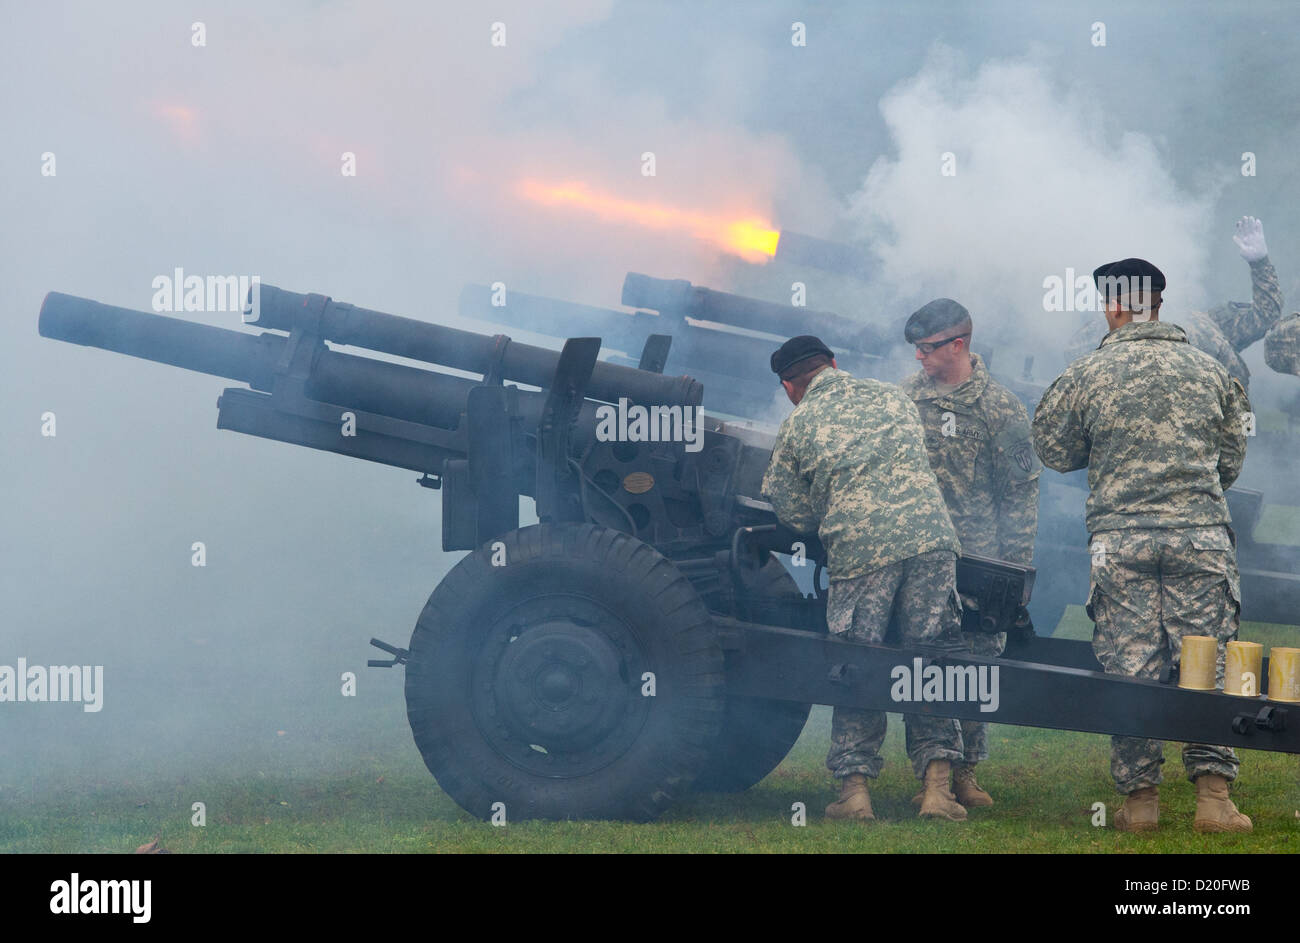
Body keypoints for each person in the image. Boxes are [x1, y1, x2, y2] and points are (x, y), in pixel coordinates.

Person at [1033, 259, 1253, 833]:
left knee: (1129, 663)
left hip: (1119, 540)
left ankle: (1139, 803)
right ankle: (1213, 799)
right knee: (1207, 660)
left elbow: (1054, 450)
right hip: (1199, 535)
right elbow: (1230, 459)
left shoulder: (1087, 373)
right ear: (1158, 301)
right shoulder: (1210, 370)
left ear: (1111, 306)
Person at [761, 334, 968, 823]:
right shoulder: (892, 396)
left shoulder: (798, 423)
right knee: (932, 662)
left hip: (862, 551)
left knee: (857, 665)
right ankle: (938, 790)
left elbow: (792, 514)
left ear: (791, 386)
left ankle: (855, 795)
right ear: (835, 364)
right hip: (932, 540)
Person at [900, 299, 1040, 809]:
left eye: (928, 348)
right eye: (916, 348)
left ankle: (966, 773)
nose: (919, 358)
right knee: (929, 659)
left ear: (958, 344)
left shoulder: (1000, 408)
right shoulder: (904, 400)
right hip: (921, 555)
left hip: (981, 561)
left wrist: (1014, 573)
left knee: (979, 666)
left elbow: (1020, 493)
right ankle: (934, 777)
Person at [1065, 216, 1282, 390]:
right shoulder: (1204, 325)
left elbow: (1263, 317)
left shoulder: (1205, 323)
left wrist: (1260, 263)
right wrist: (1260, 263)